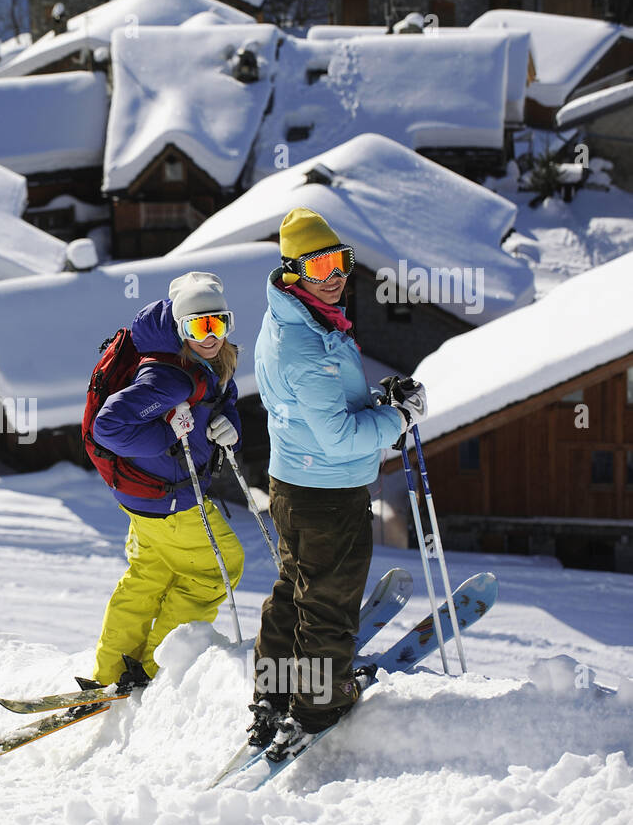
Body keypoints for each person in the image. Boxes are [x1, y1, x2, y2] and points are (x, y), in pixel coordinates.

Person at [251, 208, 427, 760]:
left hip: (294, 484)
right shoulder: (305, 343)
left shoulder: (298, 316)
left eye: (340, 261)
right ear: (293, 269)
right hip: (326, 494)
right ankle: (319, 703)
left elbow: (322, 413)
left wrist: (381, 401)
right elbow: (339, 436)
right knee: (327, 601)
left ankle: (273, 696)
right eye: (319, 265)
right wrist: (399, 421)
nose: (334, 275)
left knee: (293, 591)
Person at [89, 271, 246, 692]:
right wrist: (168, 433)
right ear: (179, 327)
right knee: (217, 570)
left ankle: (111, 672)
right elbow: (109, 428)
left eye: (218, 323)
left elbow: (220, 395)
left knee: (150, 576)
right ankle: (155, 670)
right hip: (171, 500)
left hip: (142, 496)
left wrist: (225, 421)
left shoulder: (197, 360)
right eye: (198, 326)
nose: (210, 336)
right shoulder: (169, 376)